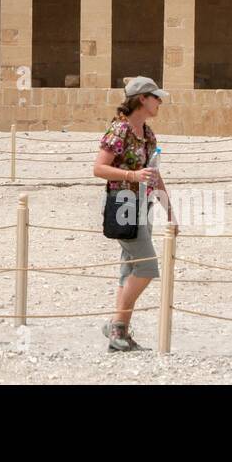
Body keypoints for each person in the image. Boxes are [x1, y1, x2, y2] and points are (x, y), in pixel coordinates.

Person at [95, 76, 174, 353]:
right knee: (147, 268)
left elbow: (154, 173)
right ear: (142, 99)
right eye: (156, 97)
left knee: (129, 269)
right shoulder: (119, 130)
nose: (160, 102)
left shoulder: (148, 133)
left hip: (144, 204)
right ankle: (116, 325)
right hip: (123, 203)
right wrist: (132, 174)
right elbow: (99, 168)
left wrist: (168, 208)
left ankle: (120, 335)